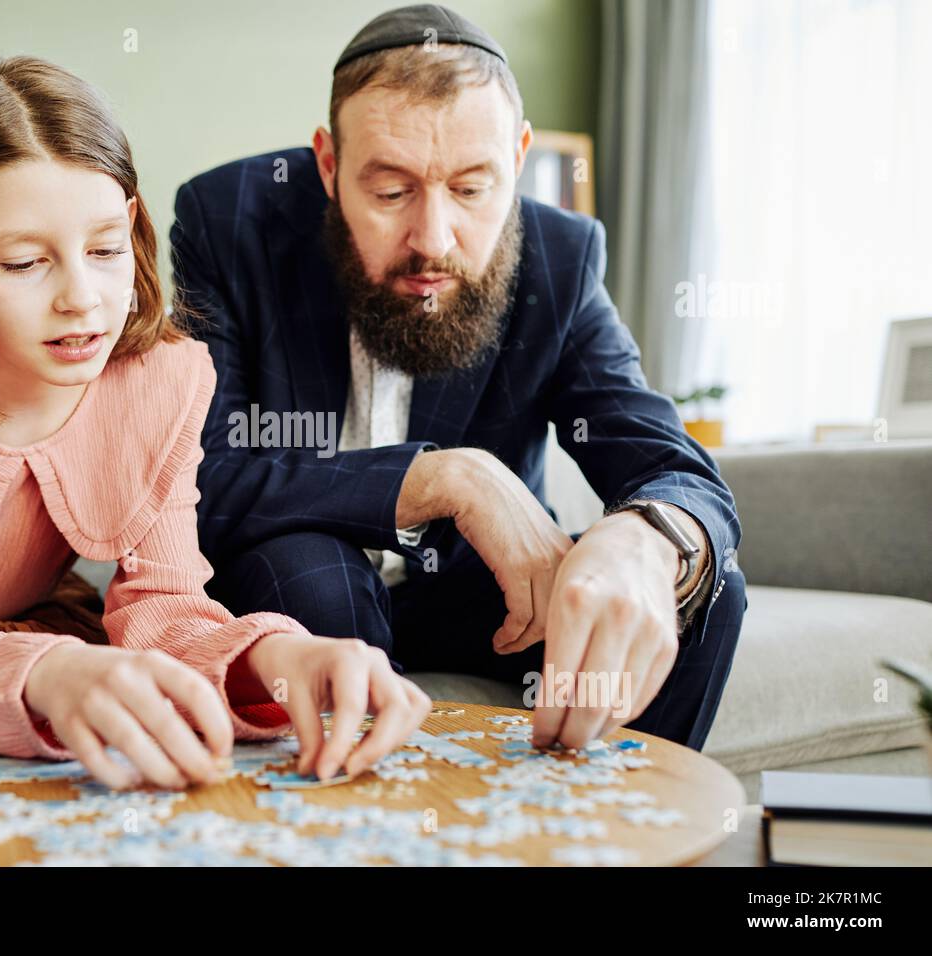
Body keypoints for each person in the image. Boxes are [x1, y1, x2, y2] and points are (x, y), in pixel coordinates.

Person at [0, 52, 431, 789]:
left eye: (106, 249)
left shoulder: (164, 379)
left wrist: (276, 656)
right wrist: (56, 672)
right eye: (23, 264)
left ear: (131, 224)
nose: (83, 298)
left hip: (22, 625)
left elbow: (164, 606)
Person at [171, 5, 747, 753]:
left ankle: (598, 840)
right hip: (298, 575)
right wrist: (447, 479)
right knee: (308, 568)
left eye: (474, 189)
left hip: (481, 597)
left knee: (703, 589)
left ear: (519, 155)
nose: (433, 239)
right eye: (389, 193)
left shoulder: (561, 257)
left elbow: (670, 466)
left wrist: (648, 538)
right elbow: (198, 479)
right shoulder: (229, 220)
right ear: (328, 165)